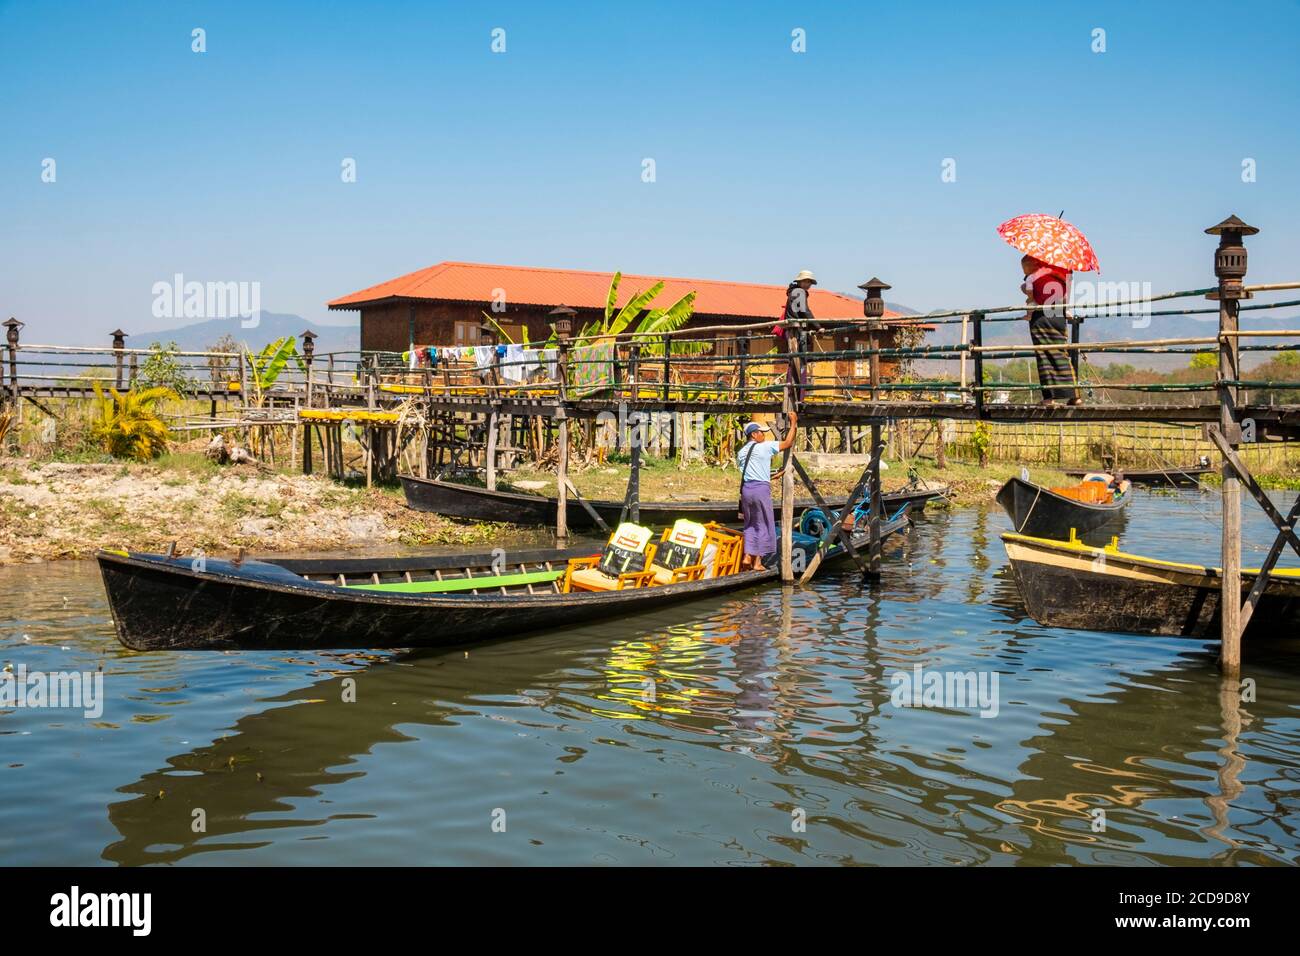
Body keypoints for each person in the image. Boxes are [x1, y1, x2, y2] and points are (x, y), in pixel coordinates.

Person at [737, 412, 798, 571]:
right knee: (764, 524)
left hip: (746, 490)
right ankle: (757, 563)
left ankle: (747, 556)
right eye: (761, 433)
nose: (764, 435)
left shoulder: (741, 452)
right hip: (760, 490)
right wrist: (794, 423)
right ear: (754, 435)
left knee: (750, 524)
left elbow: (751, 472)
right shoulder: (765, 446)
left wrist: (772, 476)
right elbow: (788, 442)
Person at [1020, 254, 1080, 405]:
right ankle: (1075, 396)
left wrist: (1025, 292)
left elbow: (1030, 293)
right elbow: (1065, 298)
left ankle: (1049, 398)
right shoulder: (1062, 272)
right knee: (1062, 353)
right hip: (1059, 315)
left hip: (1041, 316)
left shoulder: (1033, 275)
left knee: (1044, 355)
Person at [779, 271, 820, 400]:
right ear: (800, 282)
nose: (808, 284)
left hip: (794, 329)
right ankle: (798, 396)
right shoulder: (799, 292)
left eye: (809, 282)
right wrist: (818, 326)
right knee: (800, 360)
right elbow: (804, 311)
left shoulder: (794, 292)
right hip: (797, 331)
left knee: (796, 360)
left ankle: (794, 394)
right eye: (806, 281)